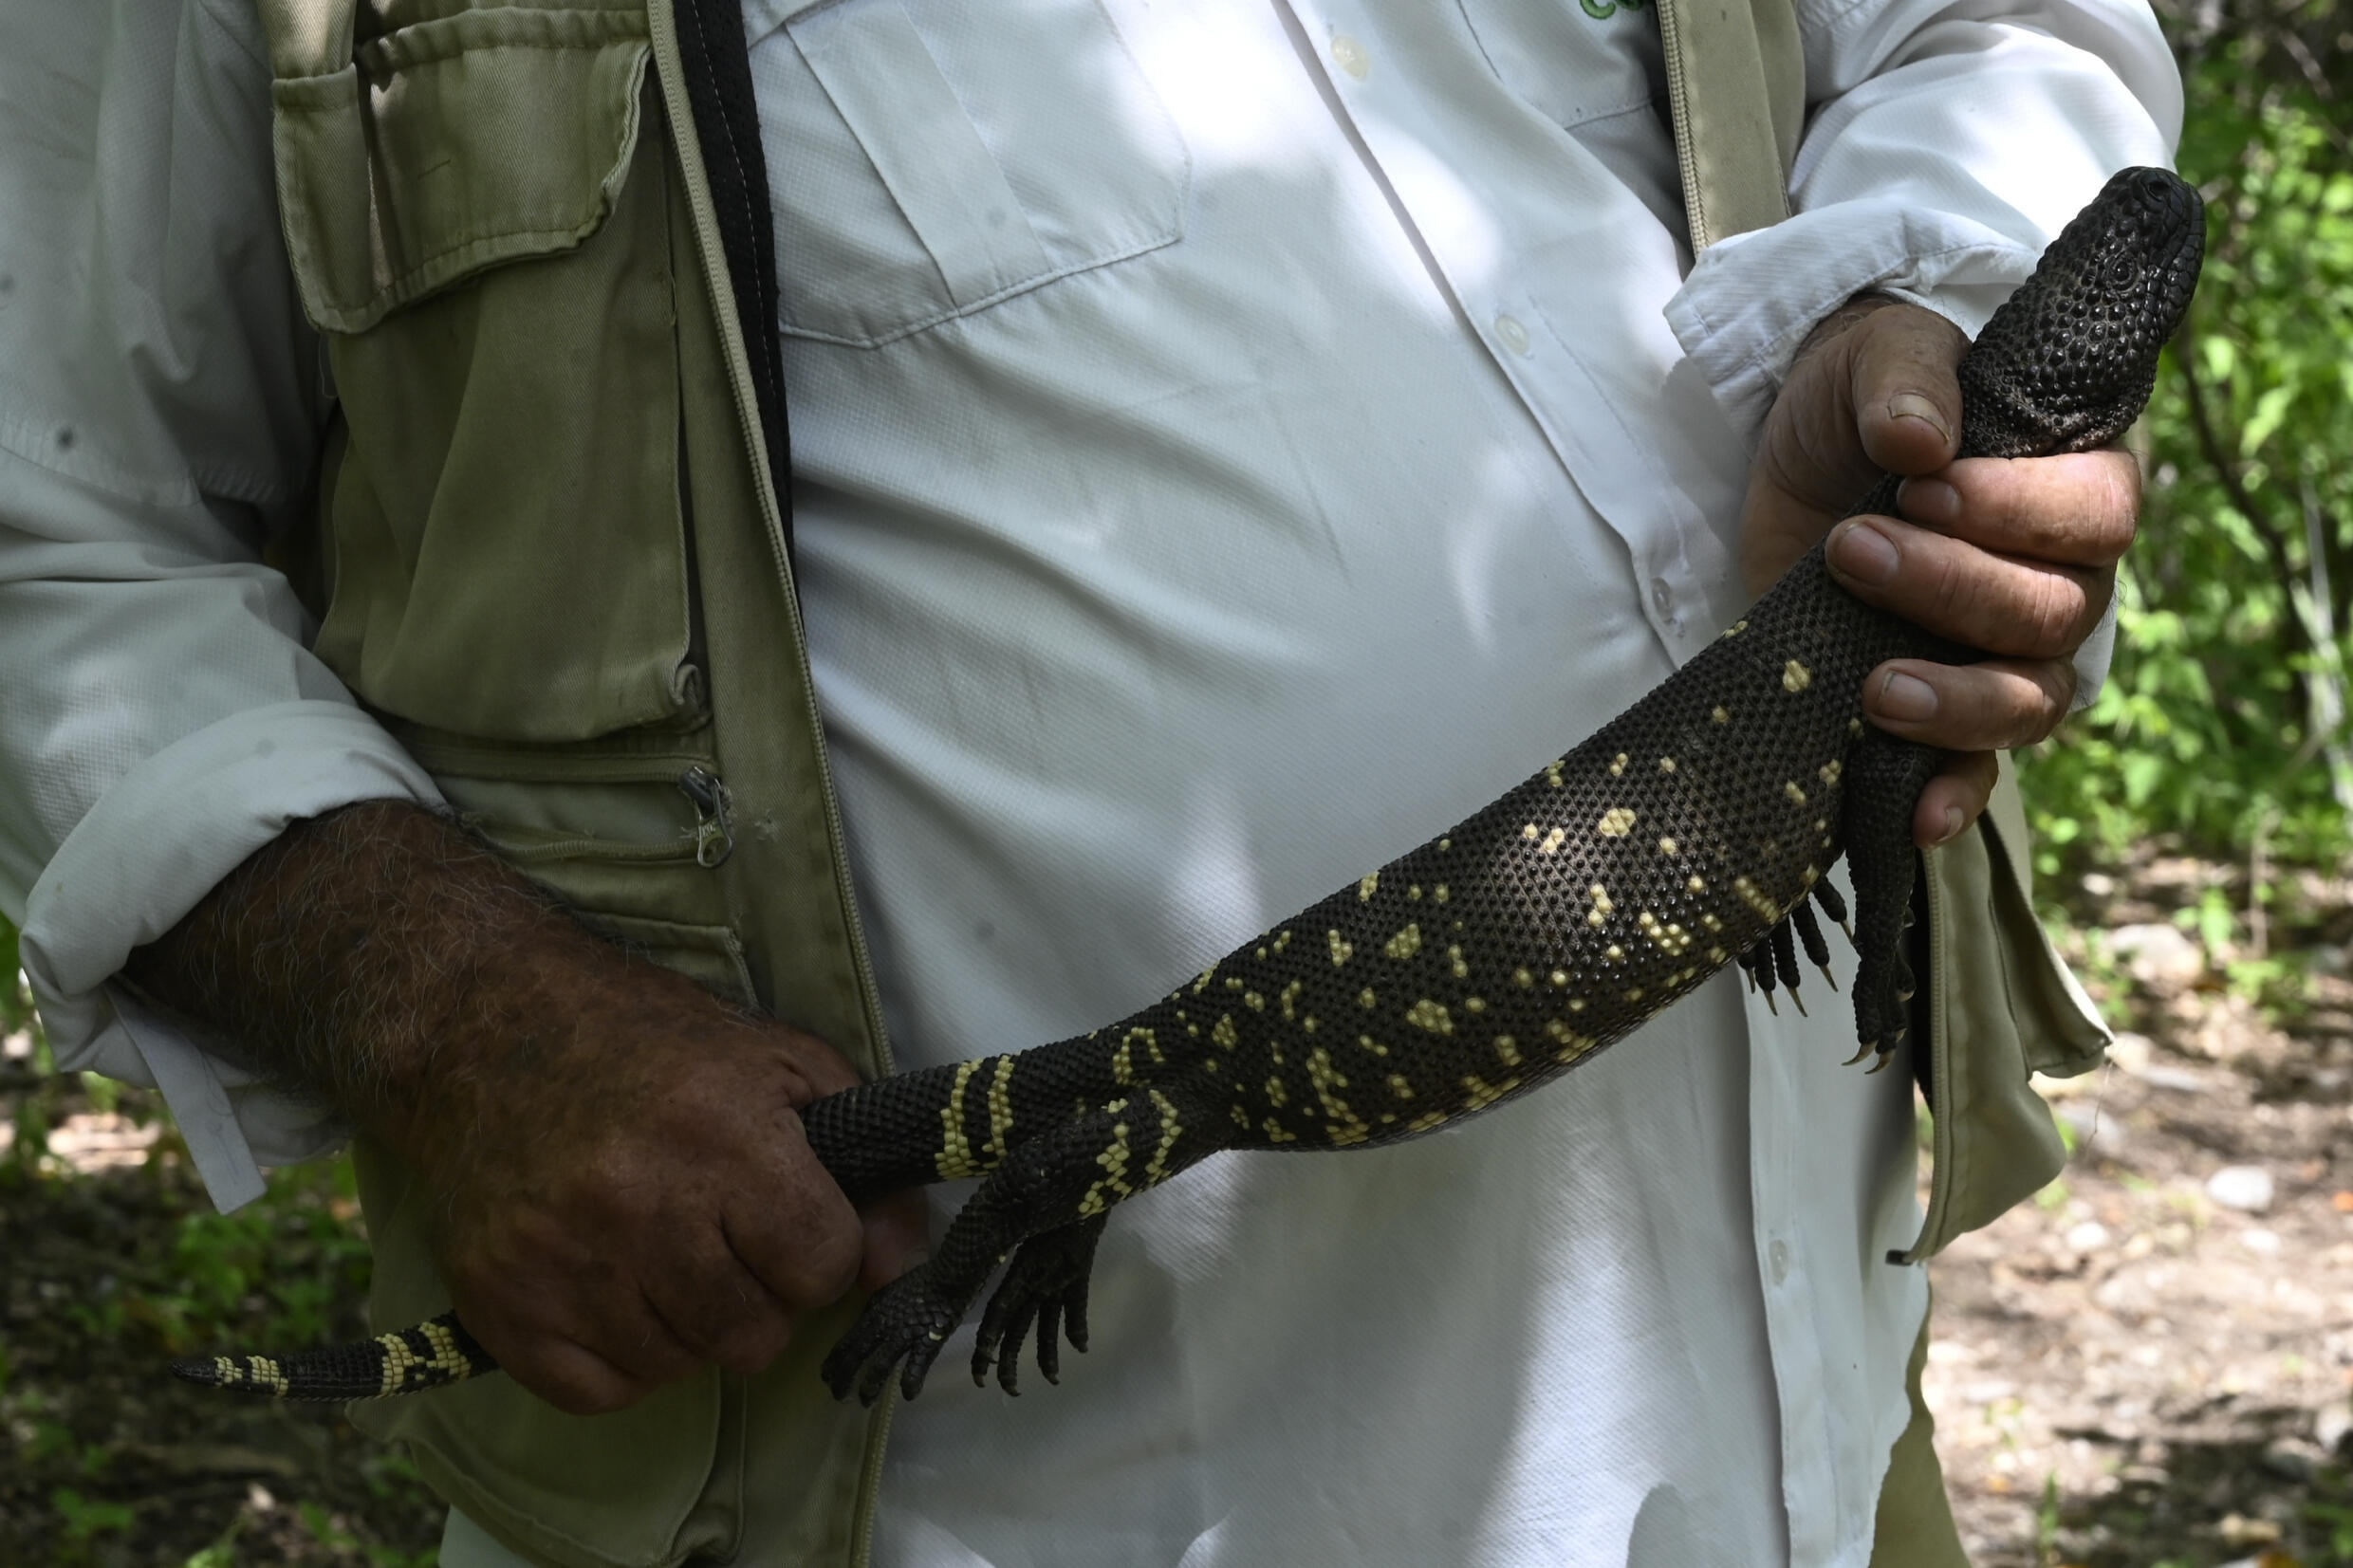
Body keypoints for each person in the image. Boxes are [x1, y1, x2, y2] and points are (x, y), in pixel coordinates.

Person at [0, 0, 2175, 1561]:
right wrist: (469, 1023)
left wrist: (1927, 284)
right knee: (1086, 1140)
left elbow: (1991, 36)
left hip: (1811, 1433)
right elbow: (58, 540)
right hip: (993, 1498)